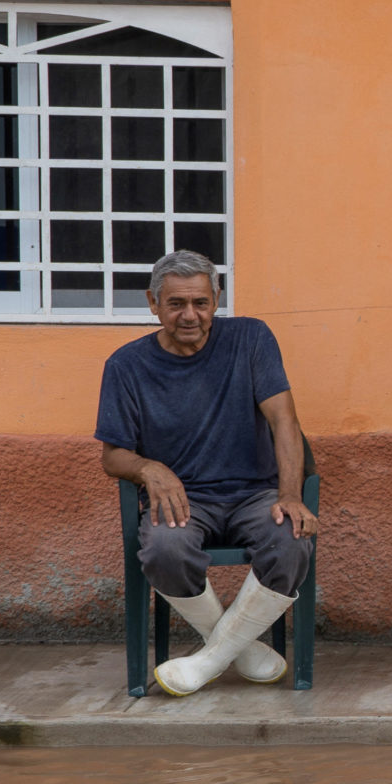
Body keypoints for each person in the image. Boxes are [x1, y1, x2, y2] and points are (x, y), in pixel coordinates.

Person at [97, 251, 317, 696]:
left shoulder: (251, 338)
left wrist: (290, 494)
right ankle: (241, 649)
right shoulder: (126, 366)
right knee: (164, 550)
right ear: (153, 303)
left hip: (255, 492)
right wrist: (148, 467)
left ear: (216, 299)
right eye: (176, 304)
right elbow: (113, 456)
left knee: (289, 542)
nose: (190, 315)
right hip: (183, 499)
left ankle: (210, 660)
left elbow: (284, 422)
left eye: (200, 302)